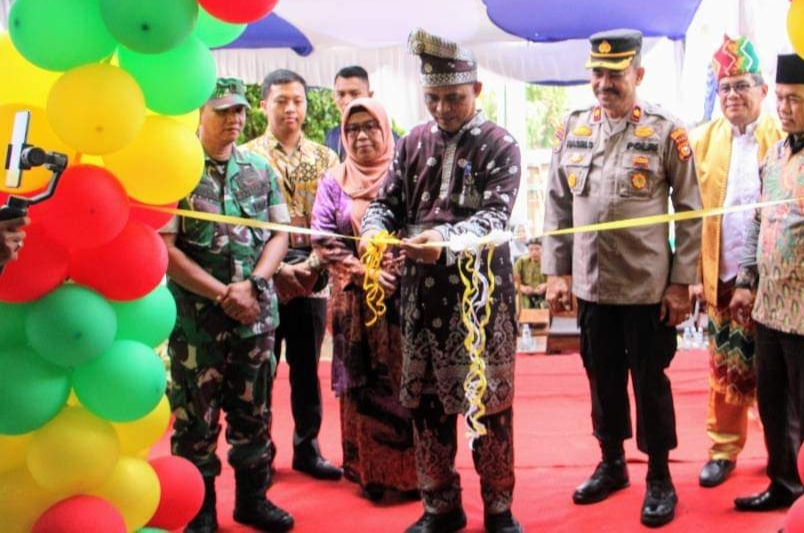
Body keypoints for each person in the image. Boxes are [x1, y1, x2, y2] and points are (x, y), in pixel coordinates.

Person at [360, 29, 523, 533]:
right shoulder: (412, 142)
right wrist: (372, 232)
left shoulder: (501, 145)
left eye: (453, 97)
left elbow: (496, 218)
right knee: (426, 410)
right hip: (419, 304)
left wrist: (444, 239)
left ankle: (499, 509)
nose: (443, 109)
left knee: (489, 409)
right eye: (433, 98)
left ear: (477, 90)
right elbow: (385, 203)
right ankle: (440, 507)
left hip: (481, 304)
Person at [542, 29, 702, 528]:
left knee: (649, 382)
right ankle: (611, 462)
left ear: (638, 74)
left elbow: (691, 211)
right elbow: (557, 205)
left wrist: (681, 282)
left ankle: (658, 475)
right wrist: (557, 272)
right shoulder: (572, 128)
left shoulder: (665, 130)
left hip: (646, 287)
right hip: (591, 285)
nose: (604, 82)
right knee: (601, 377)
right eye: (598, 72)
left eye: (615, 73)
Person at [161, 78, 294, 533]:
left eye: (239, 110)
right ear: (200, 112)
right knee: (194, 424)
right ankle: (200, 512)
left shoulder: (260, 170)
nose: (234, 119)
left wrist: (254, 284)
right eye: (223, 111)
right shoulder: (176, 170)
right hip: (196, 325)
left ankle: (252, 502)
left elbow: (281, 234)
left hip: (254, 320)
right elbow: (167, 250)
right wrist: (221, 293)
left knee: (253, 415)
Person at [311, 97, 418, 501]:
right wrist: (365, 271)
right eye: (352, 129)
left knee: (405, 382)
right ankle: (369, 471)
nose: (361, 136)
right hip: (355, 302)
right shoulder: (334, 181)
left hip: (403, 299)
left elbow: (424, 224)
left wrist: (397, 265)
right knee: (362, 384)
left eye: (370, 127)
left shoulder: (405, 174)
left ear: (386, 129)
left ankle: (410, 474)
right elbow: (322, 237)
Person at [689, 35, 783, 489]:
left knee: (775, 372)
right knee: (723, 370)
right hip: (722, 277)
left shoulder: (784, 138)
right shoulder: (702, 140)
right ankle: (723, 450)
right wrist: (690, 274)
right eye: (724, 86)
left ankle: (784, 453)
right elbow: (687, 214)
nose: (732, 95)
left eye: (742, 85)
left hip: (777, 284)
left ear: (763, 90)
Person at [242, 69, 343, 481]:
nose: (290, 108)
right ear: (264, 104)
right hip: (263, 271)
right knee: (261, 367)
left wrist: (311, 268)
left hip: (313, 273)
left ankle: (308, 449)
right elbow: (240, 225)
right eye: (281, 100)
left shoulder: (326, 159)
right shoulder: (246, 157)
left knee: (306, 367)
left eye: (297, 100)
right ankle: (260, 454)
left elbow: (336, 222)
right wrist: (277, 270)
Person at [730, 53, 804, 513]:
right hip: (770, 308)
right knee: (773, 404)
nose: (784, 108)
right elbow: (758, 221)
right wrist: (745, 280)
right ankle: (784, 484)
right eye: (779, 98)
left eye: (794, 99)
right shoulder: (774, 154)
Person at [324, 66, 374, 161]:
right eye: (341, 94)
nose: (347, 101)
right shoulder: (332, 136)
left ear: (370, 96)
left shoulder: (384, 135)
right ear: (334, 98)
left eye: (354, 94)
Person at [513, 237, 548, 310]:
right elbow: (512, 281)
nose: (534, 252)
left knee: (545, 308)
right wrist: (522, 288)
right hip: (525, 295)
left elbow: (556, 280)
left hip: (544, 295)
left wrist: (546, 285)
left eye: (537, 249)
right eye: (531, 249)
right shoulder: (522, 262)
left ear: (543, 249)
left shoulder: (548, 262)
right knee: (519, 303)